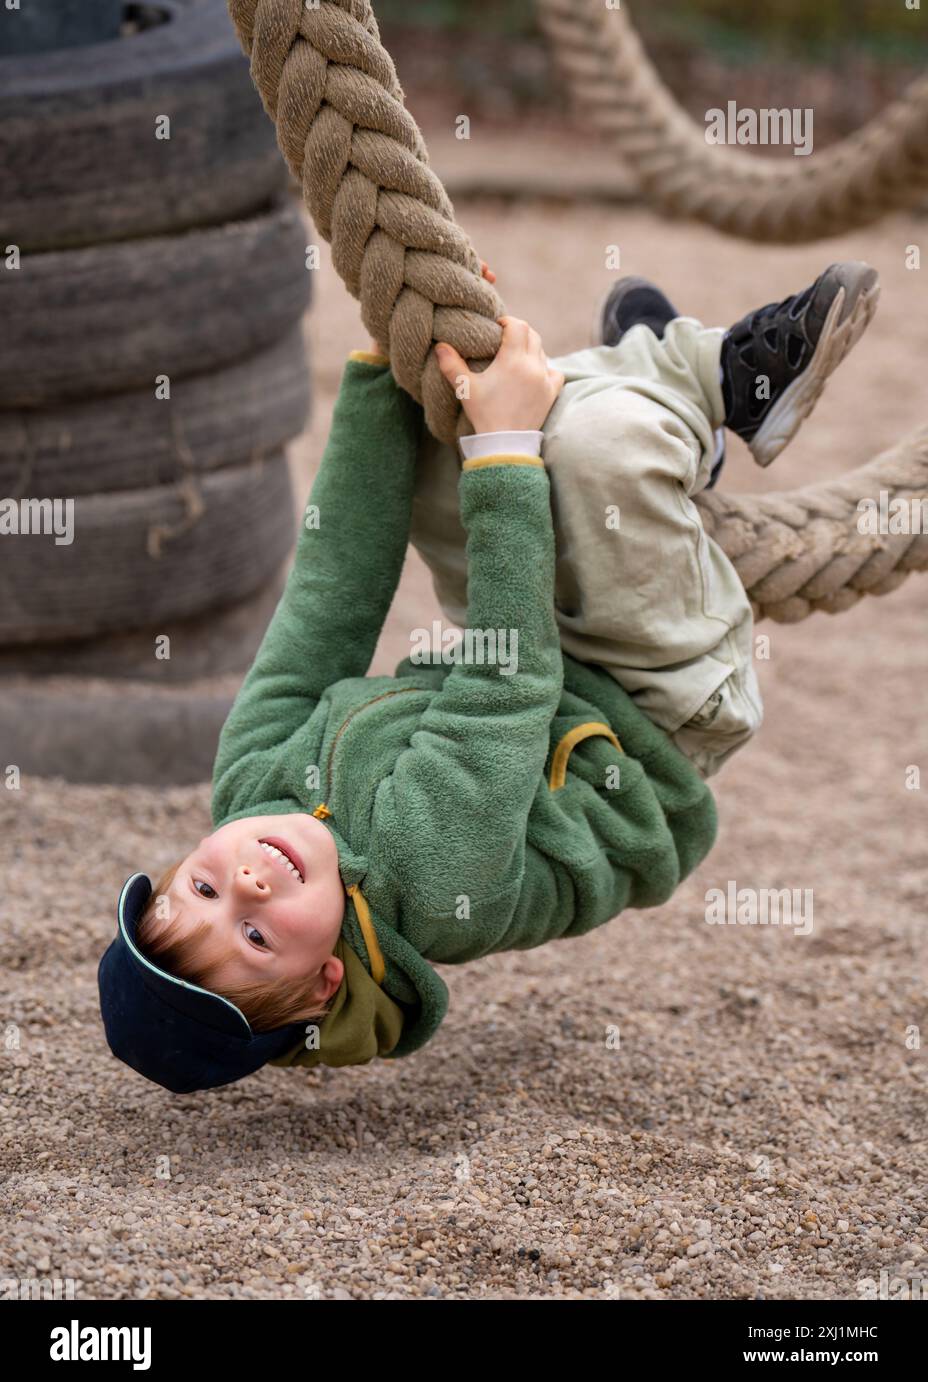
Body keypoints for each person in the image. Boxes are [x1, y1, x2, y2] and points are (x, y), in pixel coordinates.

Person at [97, 262, 878, 1094]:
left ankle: (658, 394)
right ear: (327, 977)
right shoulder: (432, 883)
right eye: (255, 938)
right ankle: (710, 375)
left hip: (531, 654)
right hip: (656, 706)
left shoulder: (251, 783)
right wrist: (506, 450)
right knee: (592, 447)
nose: (247, 883)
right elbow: (503, 688)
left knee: (443, 450)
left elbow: (329, 598)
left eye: (205, 885)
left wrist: (382, 375)